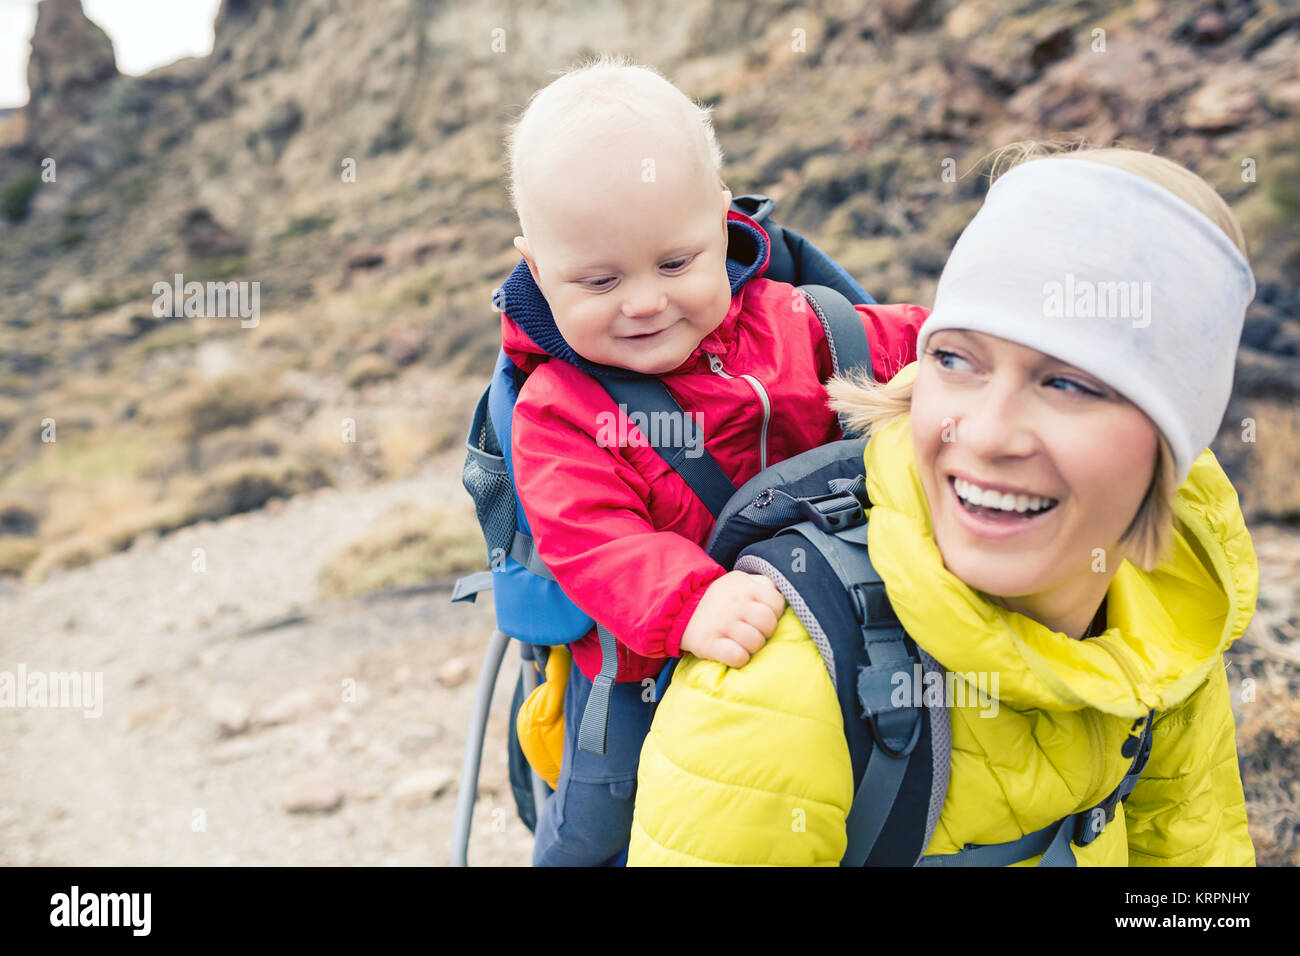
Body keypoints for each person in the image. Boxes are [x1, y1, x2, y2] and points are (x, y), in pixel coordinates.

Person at [627, 144, 1260, 866]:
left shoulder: (1167, 618)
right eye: (956, 360)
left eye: (1069, 384)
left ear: (1175, 438)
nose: (984, 435)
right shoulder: (776, 692)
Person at [497, 54, 929, 865]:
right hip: (649, 666)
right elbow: (592, 538)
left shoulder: (801, 323)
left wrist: (982, 347)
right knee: (603, 819)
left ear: (721, 220)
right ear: (535, 266)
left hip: (843, 625)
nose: (645, 301)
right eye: (597, 279)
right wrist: (688, 600)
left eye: (675, 263)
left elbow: (923, 343)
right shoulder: (560, 407)